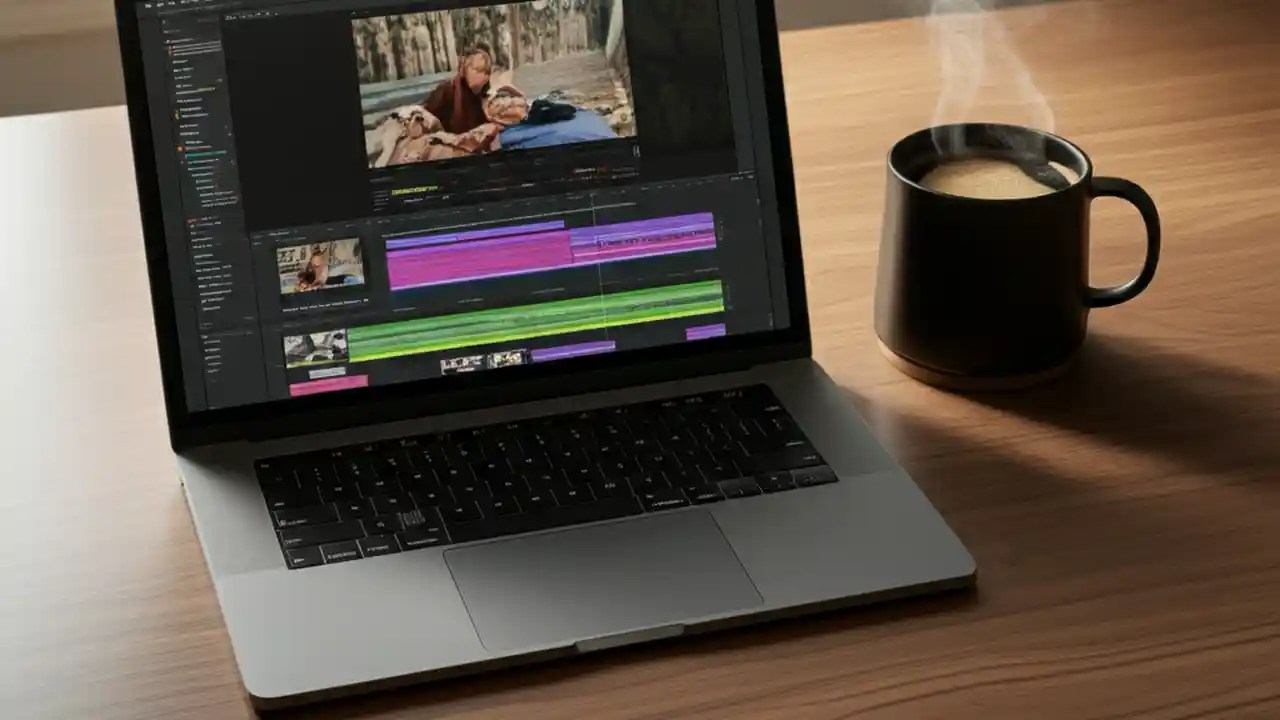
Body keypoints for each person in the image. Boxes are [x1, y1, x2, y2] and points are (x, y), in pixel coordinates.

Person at [422, 44, 494, 134]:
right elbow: (426, 119)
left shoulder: (481, 97)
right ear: (466, 69)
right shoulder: (447, 90)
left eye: (486, 72)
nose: (483, 76)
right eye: (478, 70)